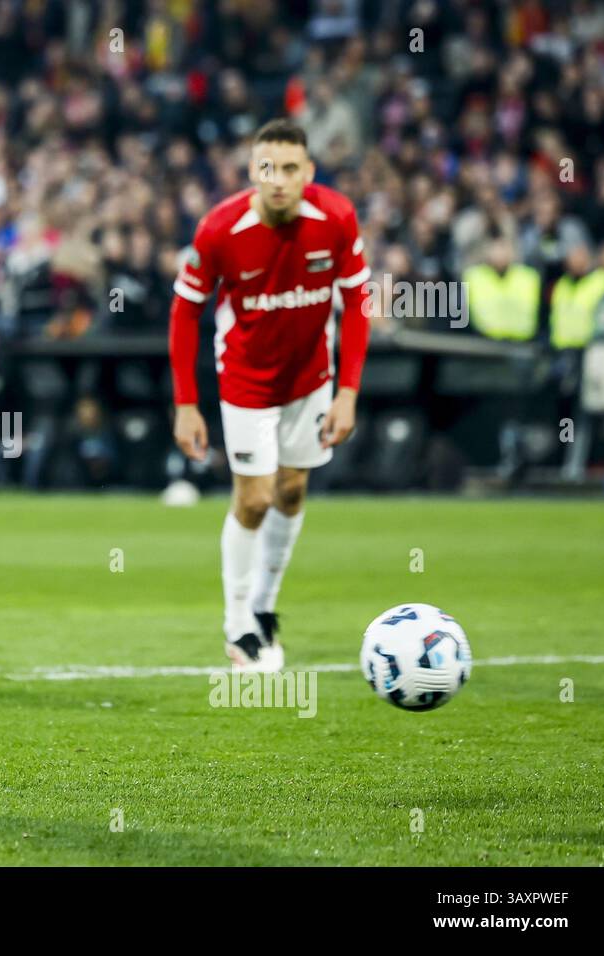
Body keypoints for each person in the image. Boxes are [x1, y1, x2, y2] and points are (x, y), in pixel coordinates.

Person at [169, 119, 370, 672]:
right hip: (246, 382)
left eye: (288, 168)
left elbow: (357, 304)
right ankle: (237, 627)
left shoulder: (337, 219)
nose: (277, 180)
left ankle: (263, 608)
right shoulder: (219, 230)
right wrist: (186, 402)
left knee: (293, 492)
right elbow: (185, 310)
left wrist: (347, 390)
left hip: (310, 381)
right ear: (252, 172)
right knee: (254, 499)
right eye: (266, 168)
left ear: (308, 172)